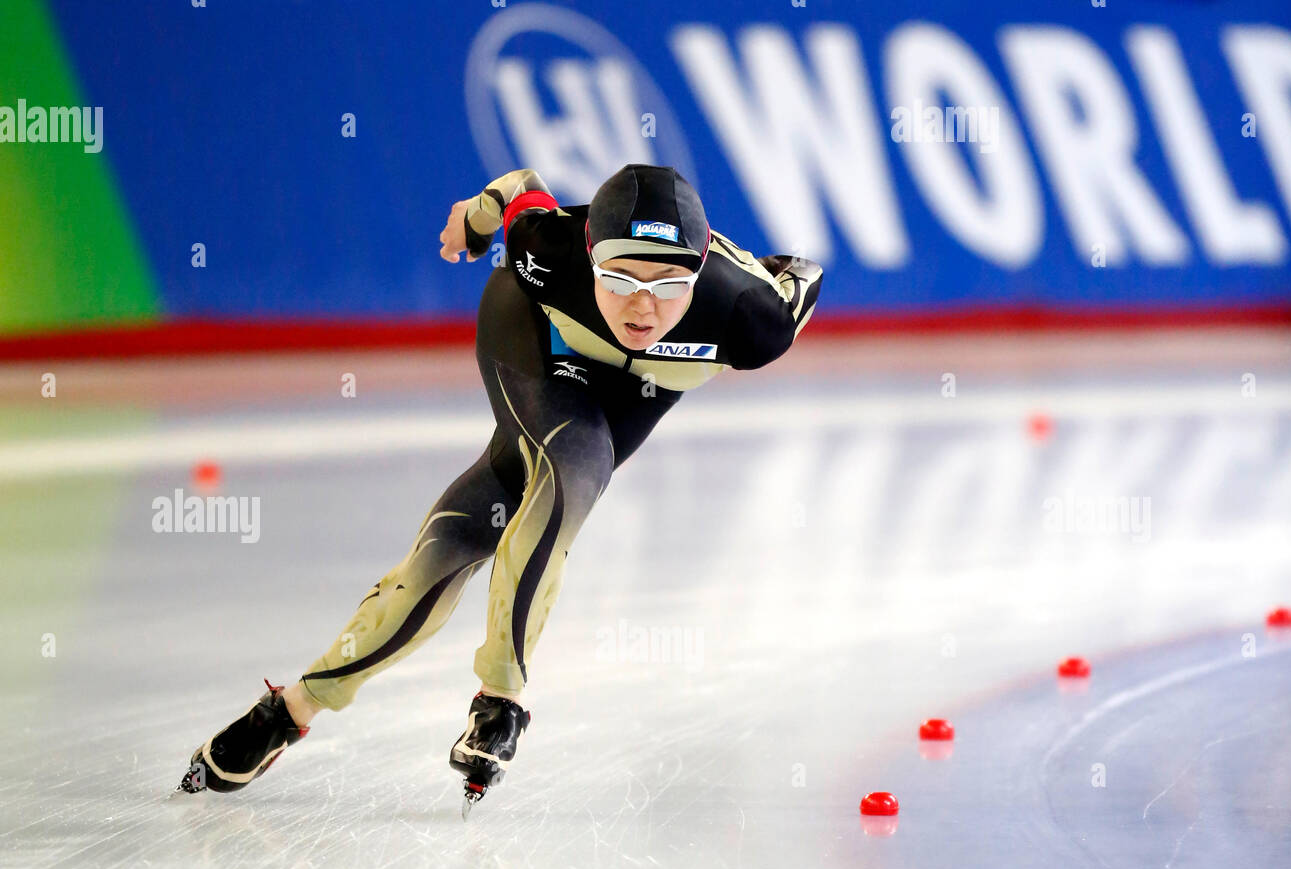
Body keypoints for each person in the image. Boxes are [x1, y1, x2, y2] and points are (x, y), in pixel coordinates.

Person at [179, 164, 822, 810]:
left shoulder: (748, 316)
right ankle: (501, 699)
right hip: (532, 337)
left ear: (702, 269)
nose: (644, 304)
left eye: (670, 282)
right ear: (592, 256)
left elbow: (804, 275)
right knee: (574, 462)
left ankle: (289, 710)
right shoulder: (552, 252)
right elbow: (518, 191)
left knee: (452, 545)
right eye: (621, 276)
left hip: (632, 394)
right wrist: (471, 221)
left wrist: (757, 270)